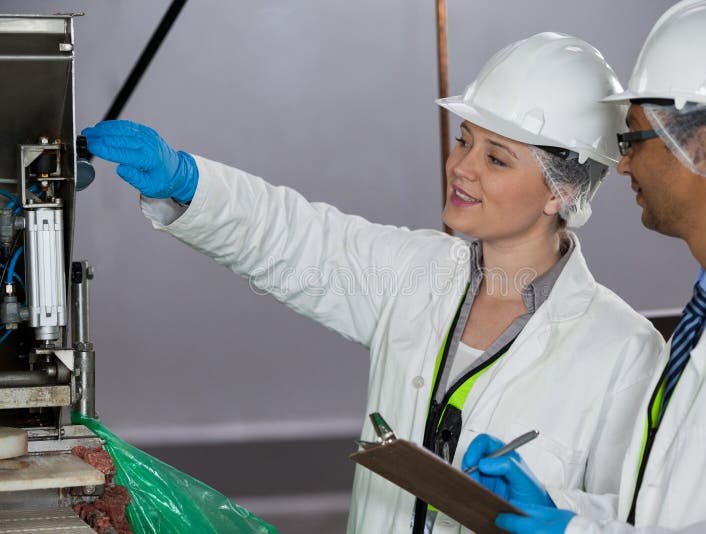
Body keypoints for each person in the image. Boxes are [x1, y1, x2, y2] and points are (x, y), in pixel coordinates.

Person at [83, 33, 664, 534]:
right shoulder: (416, 276)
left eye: (498, 158)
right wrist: (189, 183)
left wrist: (553, 511)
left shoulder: (622, 351)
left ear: (562, 190)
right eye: (465, 140)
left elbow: (634, 517)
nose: (462, 167)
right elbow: (296, 239)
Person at [463, 0, 706, 532]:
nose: (622, 163)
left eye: (634, 137)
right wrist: (561, 506)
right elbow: (674, 506)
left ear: (700, 149)